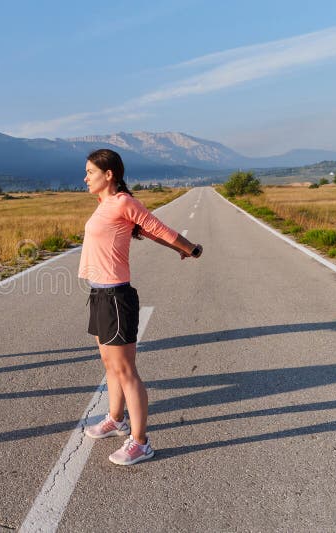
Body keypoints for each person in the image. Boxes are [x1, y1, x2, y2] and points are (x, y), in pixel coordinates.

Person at [78, 149, 202, 466]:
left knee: (126, 371)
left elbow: (154, 225)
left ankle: (141, 441)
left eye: (90, 171)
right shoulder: (106, 204)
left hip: (117, 297)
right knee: (110, 365)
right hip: (100, 295)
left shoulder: (123, 202)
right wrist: (177, 248)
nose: (85, 177)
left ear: (110, 174)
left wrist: (188, 247)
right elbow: (145, 232)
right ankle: (117, 418)